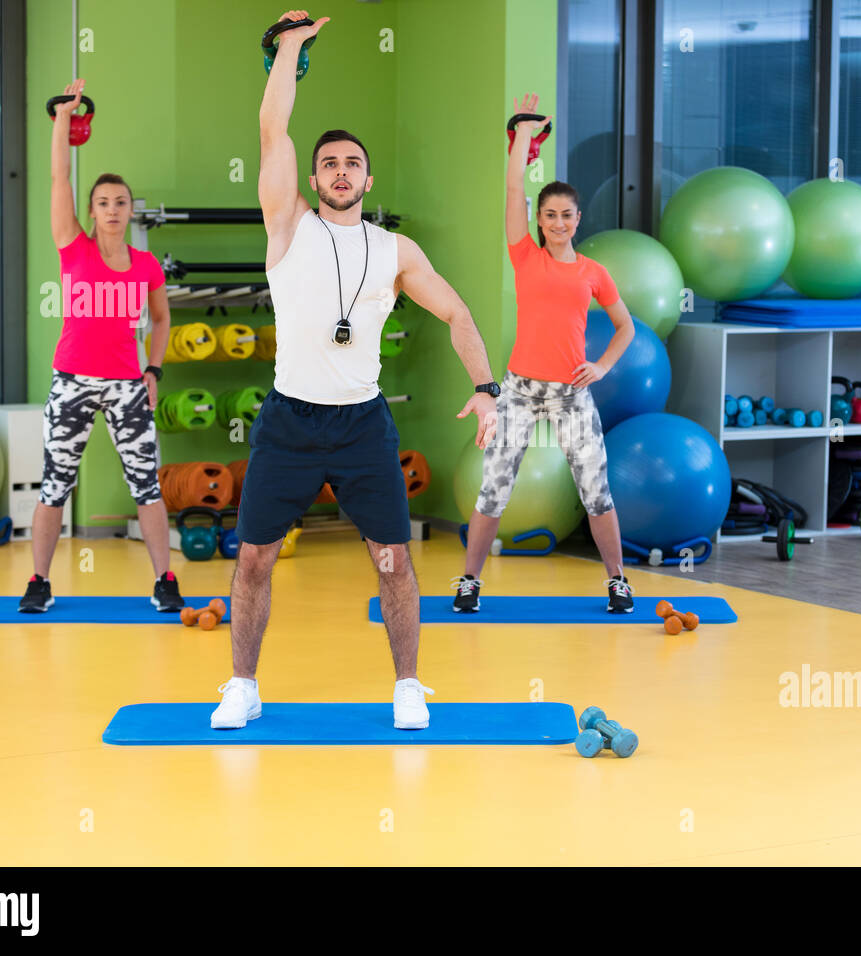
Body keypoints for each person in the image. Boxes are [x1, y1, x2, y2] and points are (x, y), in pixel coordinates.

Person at [211, 11, 498, 731]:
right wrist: (289, 49)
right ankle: (242, 685)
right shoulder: (288, 224)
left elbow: (459, 314)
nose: (340, 172)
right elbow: (271, 131)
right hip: (289, 419)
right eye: (329, 163)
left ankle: (408, 686)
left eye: (352, 163)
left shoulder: (396, 251)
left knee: (394, 560)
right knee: (252, 560)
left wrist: (487, 388)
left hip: (362, 423)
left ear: (369, 177)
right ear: (314, 177)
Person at [452, 93, 636, 615]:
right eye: (549, 214)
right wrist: (524, 138)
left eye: (566, 215)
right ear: (540, 218)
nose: (557, 221)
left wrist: (601, 366)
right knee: (494, 489)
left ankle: (617, 581)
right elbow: (513, 189)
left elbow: (625, 328)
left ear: (579, 219)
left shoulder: (593, 273)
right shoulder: (525, 257)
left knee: (595, 490)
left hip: (571, 393)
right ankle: (469, 581)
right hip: (519, 389)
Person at [22, 78, 182, 614]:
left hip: (126, 386)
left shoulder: (145, 265)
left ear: (130, 211)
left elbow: (161, 319)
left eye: (120, 202)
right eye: (103, 202)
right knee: (55, 485)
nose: (112, 209)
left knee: (147, 486)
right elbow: (57, 175)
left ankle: (164, 580)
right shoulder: (73, 247)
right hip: (71, 380)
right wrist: (64, 120)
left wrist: (154, 370)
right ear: (91, 211)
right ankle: (39, 582)